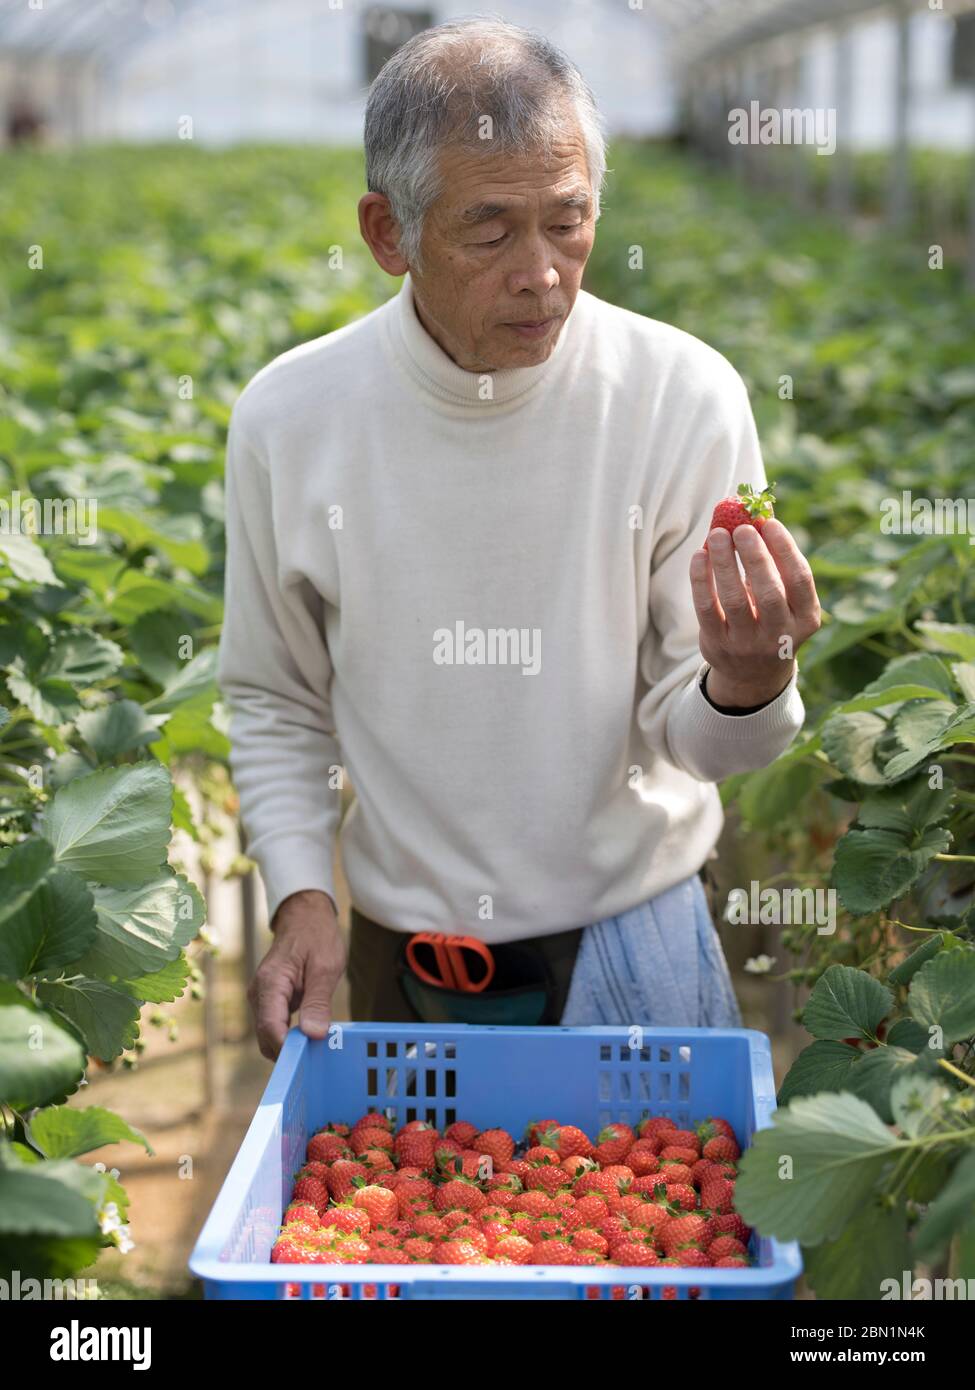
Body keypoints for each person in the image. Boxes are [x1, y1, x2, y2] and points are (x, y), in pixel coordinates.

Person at [216, 18, 822, 1060]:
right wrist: (302, 894)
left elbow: (711, 744)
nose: (542, 274)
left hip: (643, 944)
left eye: (569, 222)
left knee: (659, 1224)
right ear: (386, 232)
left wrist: (750, 679)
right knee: (424, 1220)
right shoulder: (292, 418)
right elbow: (275, 697)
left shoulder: (682, 398)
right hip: (404, 959)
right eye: (491, 231)